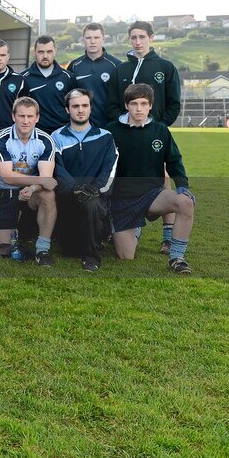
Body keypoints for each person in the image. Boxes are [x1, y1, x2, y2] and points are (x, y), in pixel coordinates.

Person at [105, 21, 182, 253]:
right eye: (133, 37)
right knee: (125, 178)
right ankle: (132, 223)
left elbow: (173, 104)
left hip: (154, 136)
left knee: (163, 177)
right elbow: (112, 104)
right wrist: (124, 126)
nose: (137, 42)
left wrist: (157, 128)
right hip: (126, 135)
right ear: (129, 39)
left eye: (142, 37)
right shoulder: (120, 69)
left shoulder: (165, 67)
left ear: (151, 37)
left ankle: (168, 235)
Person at [106, 83, 194, 274]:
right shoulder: (111, 131)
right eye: (134, 104)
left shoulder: (160, 131)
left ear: (151, 106)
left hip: (152, 195)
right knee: (126, 256)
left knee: (185, 202)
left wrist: (182, 185)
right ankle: (134, 228)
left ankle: (177, 258)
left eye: (144, 104)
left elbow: (174, 161)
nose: (139, 109)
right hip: (123, 199)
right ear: (126, 105)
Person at [51, 88, 118, 272]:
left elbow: (110, 169)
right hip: (68, 199)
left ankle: (91, 256)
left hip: (96, 199)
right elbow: (57, 170)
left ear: (90, 108)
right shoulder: (56, 137)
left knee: (92, 203)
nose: (80, 110)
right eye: (75, 106)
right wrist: (76, 189)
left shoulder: (105, 136)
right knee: (70, 251)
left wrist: (96, 190)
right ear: (67, 109)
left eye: (84, 105)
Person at [0, 97, 58, 265]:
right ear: (13, 116)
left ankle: (42, 250)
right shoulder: (0, 138)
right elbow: (7, 176)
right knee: (4, 248)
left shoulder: (46, 140)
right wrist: (41, 180)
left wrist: (33, 188)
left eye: (30, 116)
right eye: (21, 116)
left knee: (48, 195)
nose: (26, 121)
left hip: (30, 192)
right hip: (3, 190)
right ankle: (7, 234)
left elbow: (46, 179)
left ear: (37, 118)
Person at [65, 22, 122, 128]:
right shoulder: (74, 66)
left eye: (96, 37)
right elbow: (69, 98)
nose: (92, 41)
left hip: (109, 125)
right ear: (83, 40)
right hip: (82, 126)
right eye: (88, 38)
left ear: (103, 39)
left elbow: (121, 98)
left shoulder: (116, 65)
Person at [19, 35, 76, 134]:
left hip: (63, 133)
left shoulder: (68, 77)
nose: (45, 56)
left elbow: (74, 106)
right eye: (41, 52)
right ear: (34, 52)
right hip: (35, 134)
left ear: (55, 51)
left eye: (49, 52)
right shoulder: (23, 78)